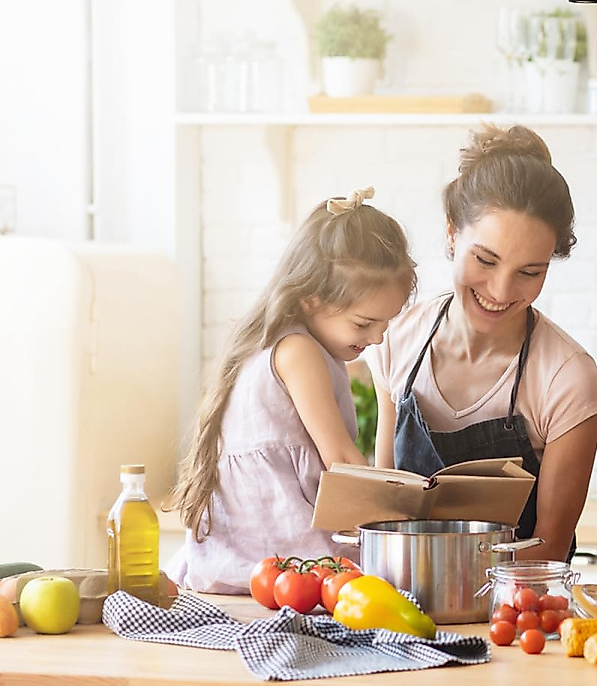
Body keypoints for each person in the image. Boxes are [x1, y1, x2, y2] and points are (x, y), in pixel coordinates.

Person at [368, 125, 597, 563]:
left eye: (530, 272)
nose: (500, 290)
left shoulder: (566, 377)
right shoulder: (395, 340)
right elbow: (386, 513)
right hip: (403, 605)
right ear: (452, 233)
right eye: (485, 260)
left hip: (515, 612)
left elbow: (549, 550)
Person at [169, 188, 415, 592]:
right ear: (310, 300)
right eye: (363, 323)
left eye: (385, 323)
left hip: (242, 557)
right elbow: (339, 458)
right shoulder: (298, 351)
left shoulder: (280, 342)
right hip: (282, 553)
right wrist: (396, 519)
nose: (377, 337)